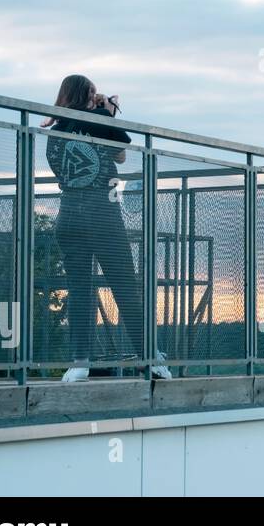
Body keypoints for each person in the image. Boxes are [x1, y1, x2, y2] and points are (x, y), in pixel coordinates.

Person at [44, 75, 170, 382]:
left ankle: (79, 363)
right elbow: (121, 154)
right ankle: (151, 358)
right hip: (102, 211)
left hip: (68, 213)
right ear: (87, 95)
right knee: (125, 286)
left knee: (79, 290)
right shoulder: (99, 117)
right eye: (92, 93)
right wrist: (109, 112)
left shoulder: (57, 128)